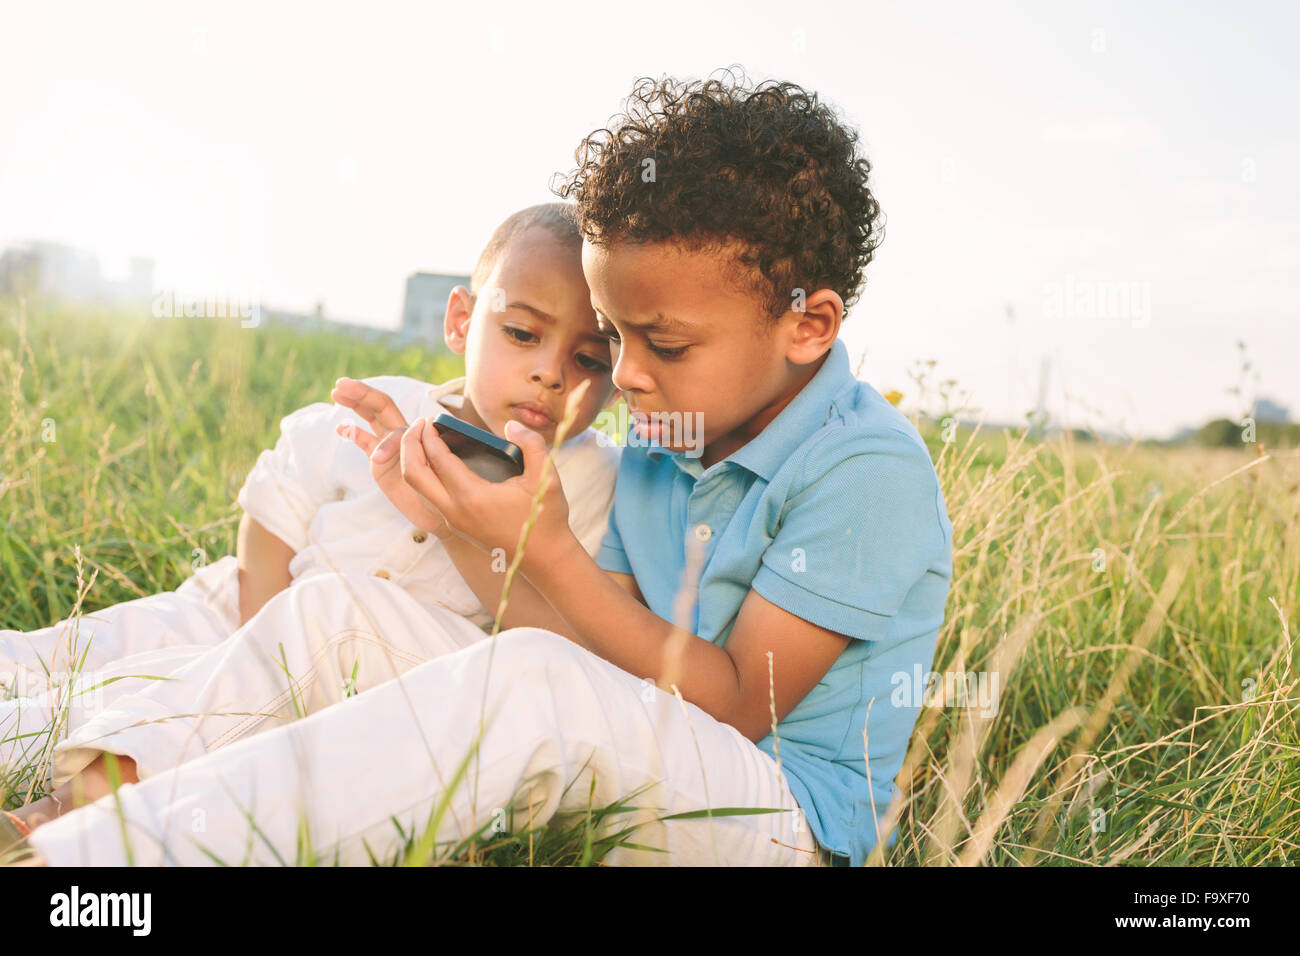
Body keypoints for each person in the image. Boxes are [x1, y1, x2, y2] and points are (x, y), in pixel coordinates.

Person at [11, 70, 953, 868]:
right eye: (616, 337)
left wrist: (549, 553)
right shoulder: (671, 443)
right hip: (638, 736)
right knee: (344, 611)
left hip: (781, 817)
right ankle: (70, 813)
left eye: (661, 342)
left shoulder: (865, 469)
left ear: (808, 325)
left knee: (531, 684)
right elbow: (594, 650)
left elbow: (744, 704)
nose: (624, 376)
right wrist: (472, 524)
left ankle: (102, 867)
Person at [0, 201, 620, 815]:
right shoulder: (388, 410)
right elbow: (276, 506)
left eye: (589, 359)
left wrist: (269, 671)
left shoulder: (593, 483)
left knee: (119, 701)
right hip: (245, 603)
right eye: (522, 334)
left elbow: (561, 637)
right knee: (86, 646)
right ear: (461, 321)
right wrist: (256, 636)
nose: (550, 373)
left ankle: (65, 796)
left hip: (366, 674)